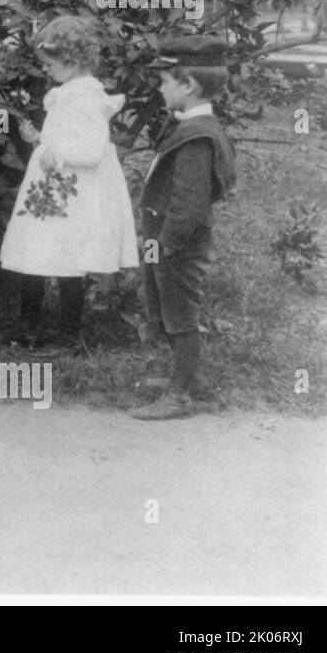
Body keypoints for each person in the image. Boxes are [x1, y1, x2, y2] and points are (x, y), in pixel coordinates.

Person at [0, 16, 138, 349]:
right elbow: (63, 139)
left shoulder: (86, 97)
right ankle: (29, 328)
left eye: (49, 64)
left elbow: (90, 151)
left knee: (68, 261)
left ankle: (68, 334)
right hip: (50, 194)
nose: (45, 71)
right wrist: (40, 141)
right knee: (34, 254)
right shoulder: (67, 92)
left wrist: (56, 153)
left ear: (72, 61)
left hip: (70, 198)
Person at [131, 36, 237, 420]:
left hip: (178, 244)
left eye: (164, 81)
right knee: (167, 309)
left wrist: (165, 245)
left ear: (188, 86)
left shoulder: (197, 137)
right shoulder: (190, 125)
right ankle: (186, 378)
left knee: (181, 317)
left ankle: (179, 395)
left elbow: (189, 203)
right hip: (167, 240)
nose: (160, 88)